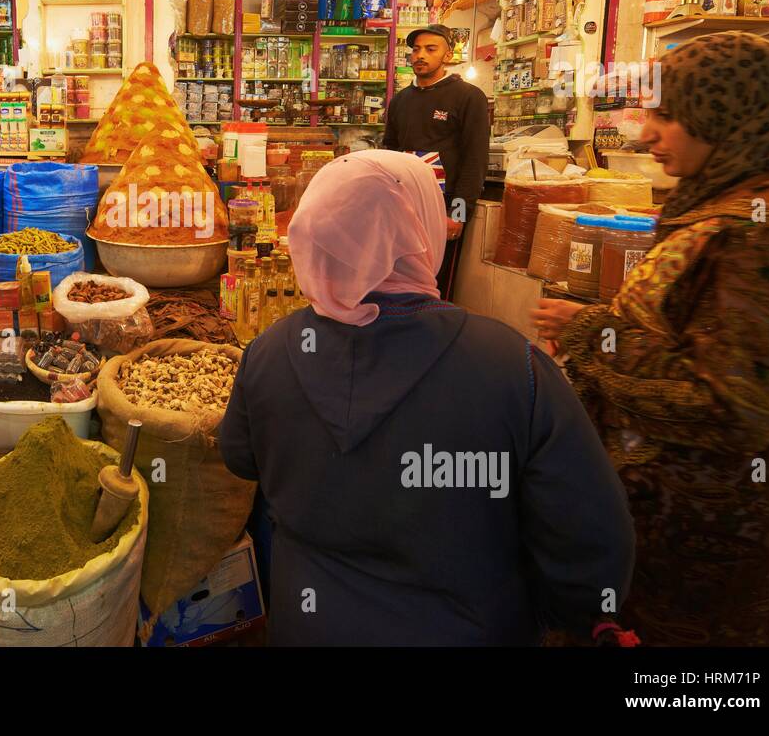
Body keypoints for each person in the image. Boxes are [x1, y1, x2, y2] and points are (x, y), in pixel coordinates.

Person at [220, 150, 634, 646]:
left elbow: (240, 457)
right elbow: (591, 545)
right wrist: (558, 612)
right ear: (415, 231)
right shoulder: (511, 366)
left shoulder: (267, 352)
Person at [531, 32, 769, 647]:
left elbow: (733, 404)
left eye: (665, 116)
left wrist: (595, 334)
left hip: (712, 561)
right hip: (682, 542)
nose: (645, 135)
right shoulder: (739, 206)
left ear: (726, 115)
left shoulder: (760, 234)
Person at [382, 24, 490, 300]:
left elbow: (475, 159)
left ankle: (434, 335)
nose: (421, 55)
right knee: (397, 276)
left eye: (431, 49)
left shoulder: (468, 97)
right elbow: (390, 151)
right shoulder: (400, 101)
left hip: (442, 208)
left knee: (435, 280)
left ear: (448, 55)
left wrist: (458, 212)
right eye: (416, 49)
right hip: (403, 204)